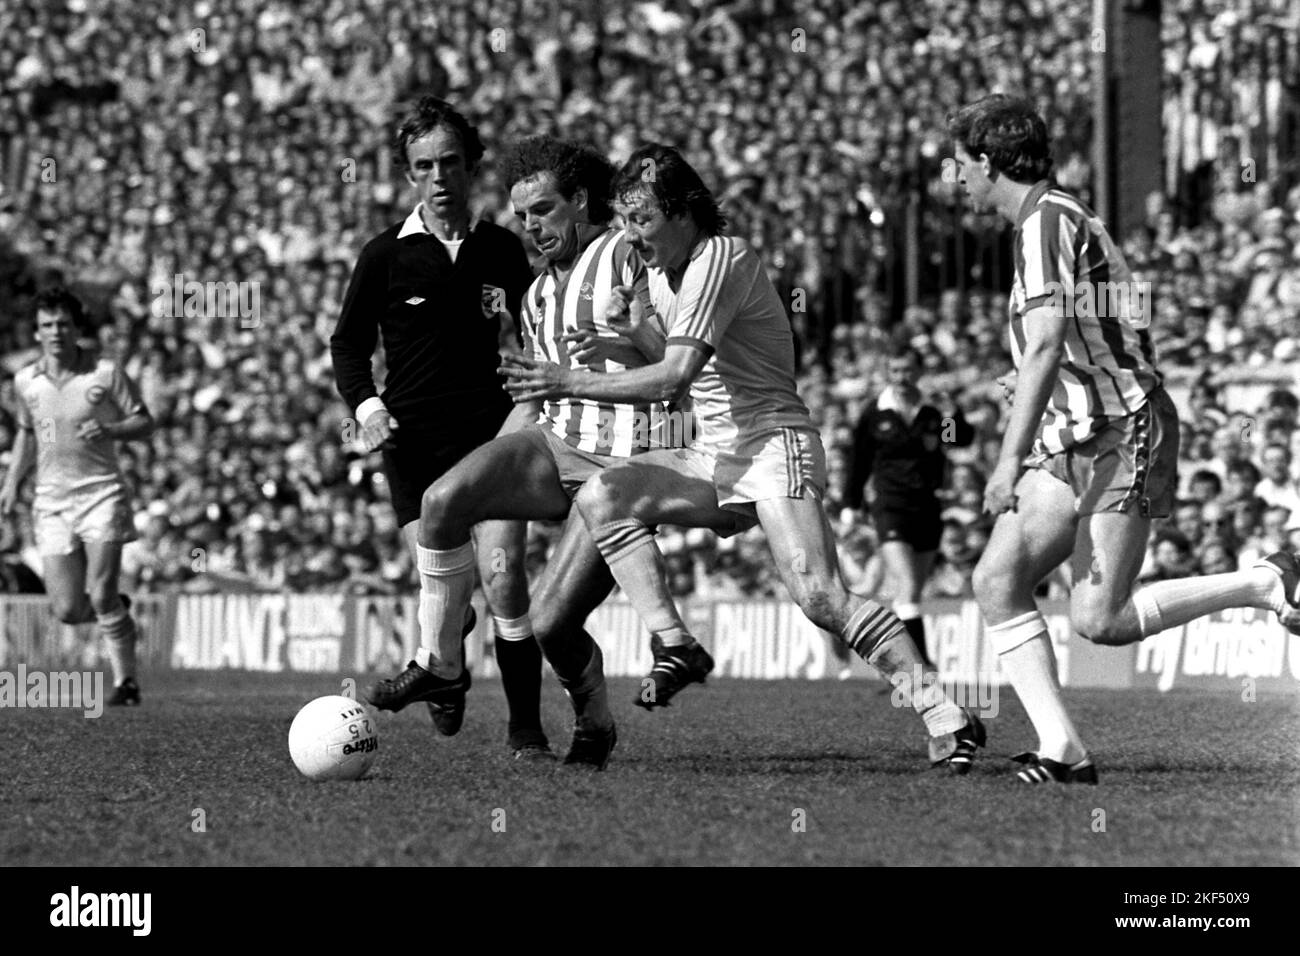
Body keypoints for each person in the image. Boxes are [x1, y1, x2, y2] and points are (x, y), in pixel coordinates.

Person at [501, 144, 987, 774]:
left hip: (770, 442)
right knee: (604, 493)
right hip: (710, 451)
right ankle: (674, 642)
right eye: (624, 222)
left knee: (819, 597)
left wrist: (566, 380)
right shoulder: (662, 273)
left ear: (683, 213)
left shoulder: (719, 258)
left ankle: (945, 713)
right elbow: (675, 372)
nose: (632, 236)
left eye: (642, 220)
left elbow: (674, 375)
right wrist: (631, 334)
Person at [948, 94, 1300, 785]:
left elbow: (1049, 341)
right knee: (996, 580)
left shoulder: (1046, 221)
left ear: (988, 162)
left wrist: (1007, 461)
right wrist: (1039, 379)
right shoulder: (1050, 219)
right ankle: (1062, 749)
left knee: (1100, 620)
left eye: (959, 164)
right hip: (1077, 434)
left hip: (1122, 428)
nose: (954, 178)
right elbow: (1087, 332)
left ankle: (1264, 583)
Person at [363, 135, 670, 770]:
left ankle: (593, 722)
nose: (531, 226)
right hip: (560, 450)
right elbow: (539, 397)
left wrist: (633, 330)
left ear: (580, 200)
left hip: (626, 468)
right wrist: (488, 467)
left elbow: (678, 364)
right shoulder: (535, 297)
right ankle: (440, 663)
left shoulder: (625, 255)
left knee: (551, 621)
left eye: (544, 210)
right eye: (523, 214)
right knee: (443, 500)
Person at [329, 97, 543, 758]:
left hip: (490, 437)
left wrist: (536, 398)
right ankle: (446, 667)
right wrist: (369, 410)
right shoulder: (384, 255)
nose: (439, 176)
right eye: (424, 166)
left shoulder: (502, 249)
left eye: (450, 162)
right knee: (444, 589)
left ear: (471, 165)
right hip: (412, 444)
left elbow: (537, 334)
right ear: (409, 175)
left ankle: (526, 731)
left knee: (503, 577)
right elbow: (347, 346)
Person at [0, 287, 153, 705]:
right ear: (36, 332)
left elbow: (145, 422)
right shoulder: (26, 381)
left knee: (99, 593)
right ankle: (117, 608)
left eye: (63, 324)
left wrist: (111, 429)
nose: (55, 332)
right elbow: (27, 433)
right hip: (51, 501)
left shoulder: (104, 373)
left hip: (101, 493)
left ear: (76, 328)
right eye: (47, 325)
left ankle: (126, 683)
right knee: (67, 610)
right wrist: (12, 483)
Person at [848, 345, 974, 666]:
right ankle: (918, 665)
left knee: (913, 591)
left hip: (927, 506)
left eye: (907, 370)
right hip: (890, 504)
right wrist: (851, 503)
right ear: (887, 373)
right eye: (895, 371)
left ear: (918, 372)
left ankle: (898, 663)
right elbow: (859, 460)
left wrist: (952, 415)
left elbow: (955, 441)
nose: (901, 377)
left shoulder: (932, 412)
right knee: (905, 583)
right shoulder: (875, 412)